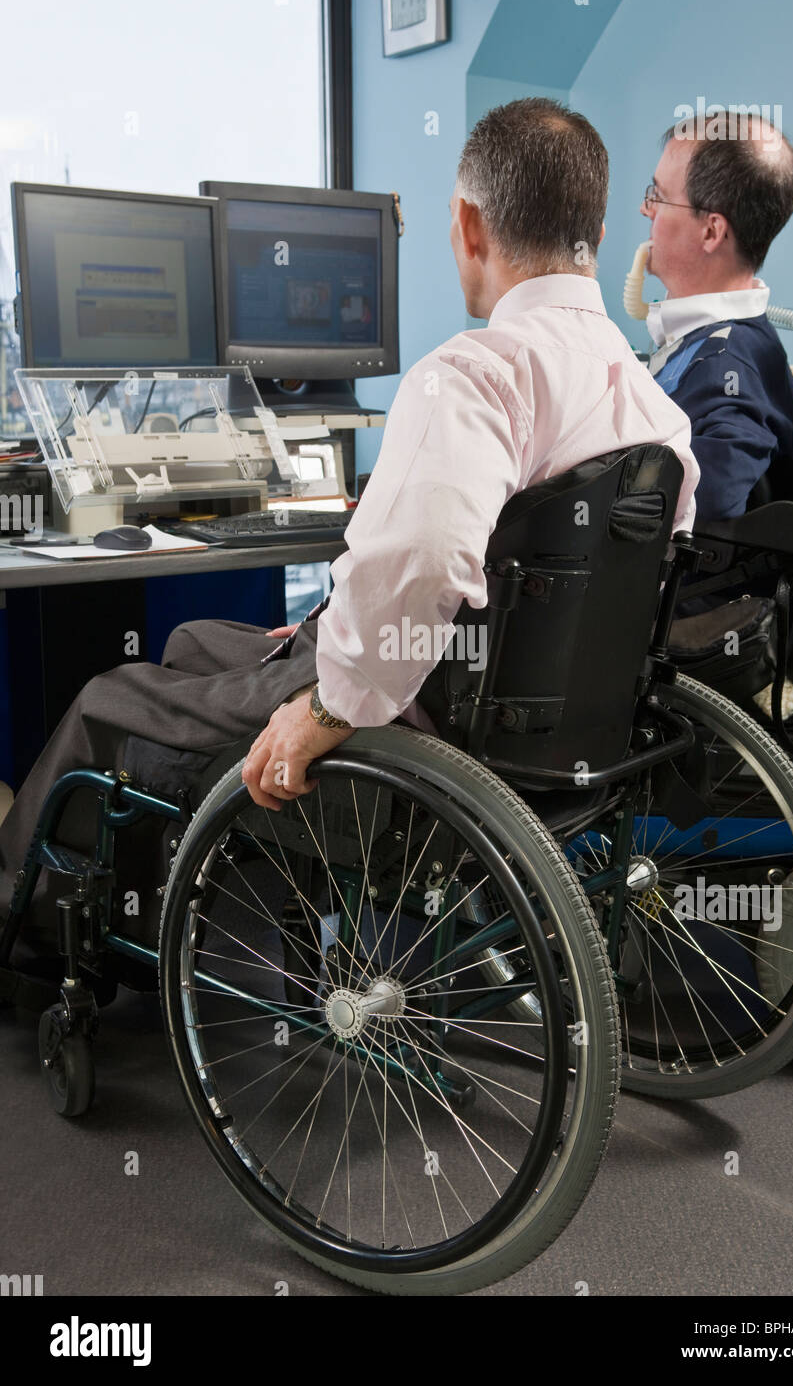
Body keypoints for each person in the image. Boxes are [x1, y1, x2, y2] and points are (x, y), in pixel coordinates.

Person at [0, 97, 699, 953]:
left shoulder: (478, 374)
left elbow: (427, 560)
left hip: (417, 725)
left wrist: (328, 705)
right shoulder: (651, 405)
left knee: (109, 697)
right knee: (188, 642)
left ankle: (21, 923)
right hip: (548, 728)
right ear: (592, 225)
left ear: (469, 225)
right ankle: (173, 899)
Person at [640, 112, 793, 521]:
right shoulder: (717, 345)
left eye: (659, 196)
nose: (645, 210)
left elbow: (715, 495)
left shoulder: (727, 362)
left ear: (711, 231)